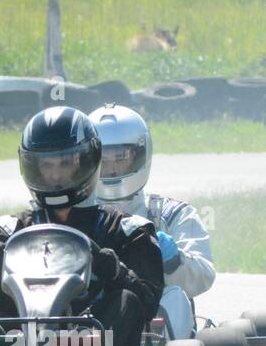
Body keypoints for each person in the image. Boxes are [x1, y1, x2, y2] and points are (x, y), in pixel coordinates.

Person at [0, 106, 164, 346]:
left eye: (66, 164)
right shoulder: (8, 231)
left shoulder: (128, 230)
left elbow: (147, 306)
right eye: (47, 165)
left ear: (89, 160)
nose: (56, 176)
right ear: (32, 166)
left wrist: (116, 272)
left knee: (126, 299)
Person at [89, 104, 216, 299]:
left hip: (153, 321)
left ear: (140, 155)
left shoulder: (171, 214)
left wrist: (174, 259)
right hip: (91, 322)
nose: (112, 169)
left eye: (121, 158)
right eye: (103, 160)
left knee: (173, 296)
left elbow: (204, 276)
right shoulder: (74, 215)